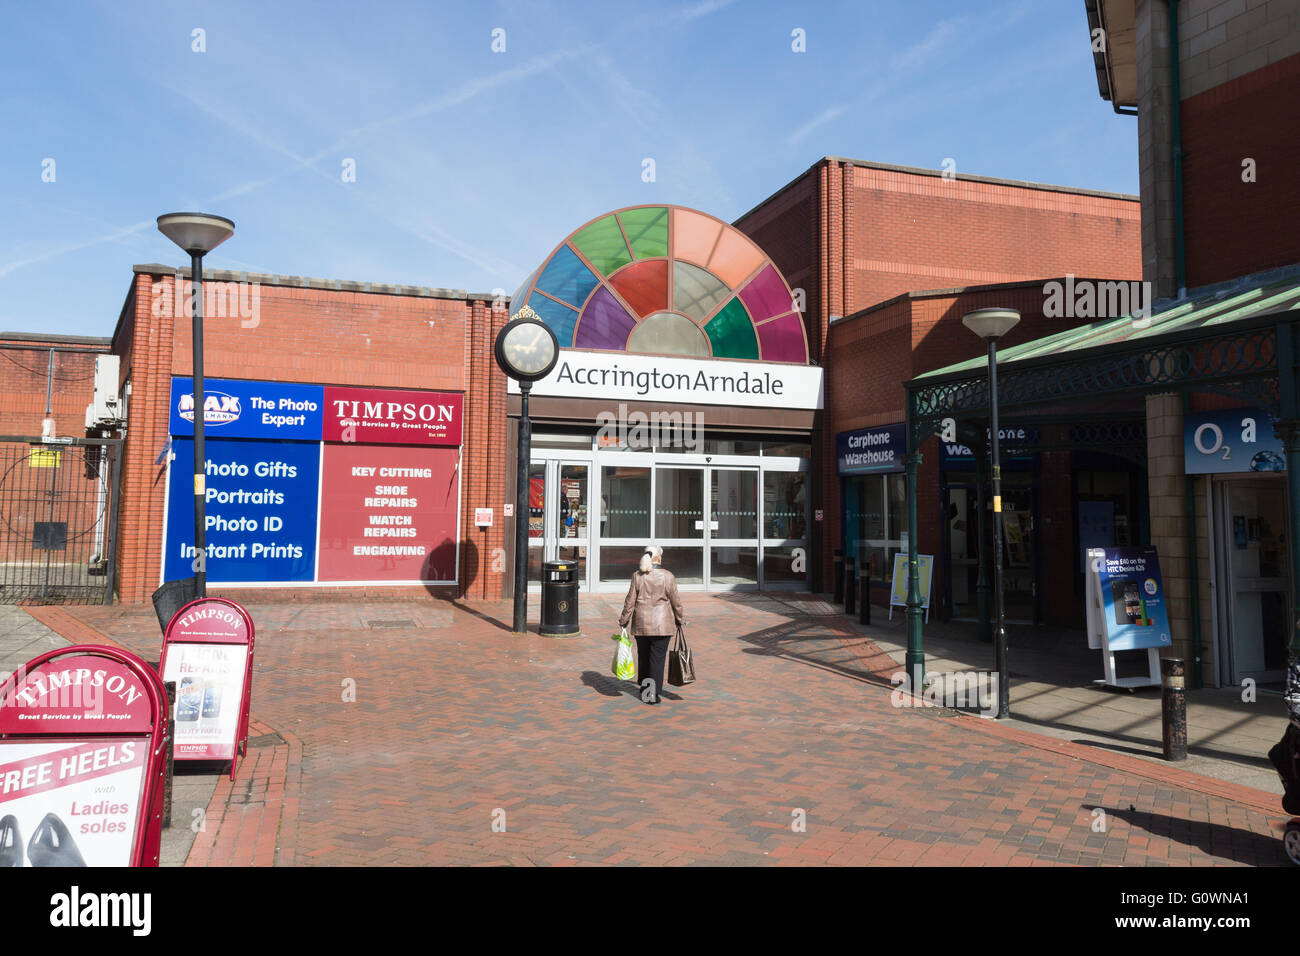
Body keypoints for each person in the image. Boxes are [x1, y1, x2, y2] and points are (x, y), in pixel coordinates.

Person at [618, 545, 684, 705]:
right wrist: (680, 619)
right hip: (662, 625)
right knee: (657, 660)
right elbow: (676, 601)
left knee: (644, 658)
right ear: (659, 558)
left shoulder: (637, 576)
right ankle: (652, 694)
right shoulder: (668, 576)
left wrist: (623, 620)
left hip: (641, 624)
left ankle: (645, 689)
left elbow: (629, 601)